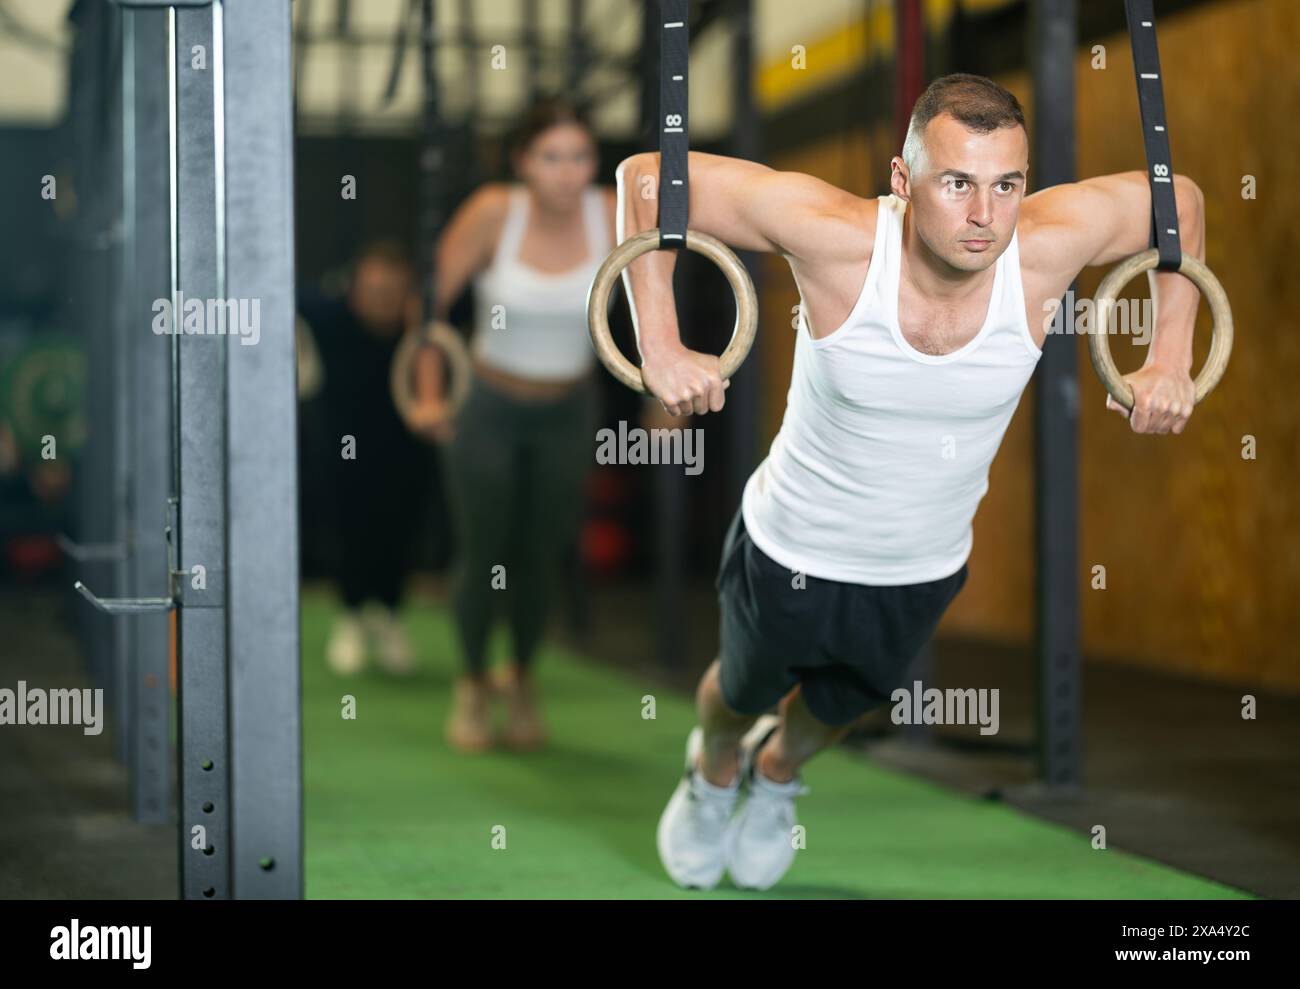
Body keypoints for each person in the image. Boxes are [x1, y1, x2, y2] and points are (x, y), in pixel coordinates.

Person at [615, 74, 1204, 890]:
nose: (984, 216)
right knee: (739, 693)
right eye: (957, 182)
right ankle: (715, 767)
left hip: (918, 565)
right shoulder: (836, 238)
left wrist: (1171, 353)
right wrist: (661, 342)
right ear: (903, 180)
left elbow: (1182, 203)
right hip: (790, 540)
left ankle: (777, 774)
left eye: (1007, 185)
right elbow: (649, 178)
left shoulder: (1045, 246)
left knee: (831, 712)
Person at [405, 100, 618, 753]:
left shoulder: (610, 212)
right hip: (487, 407)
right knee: (483, 549)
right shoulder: (496, 211)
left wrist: (660, 389)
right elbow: (430, 297)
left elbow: (649, 295)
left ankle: (520, 676)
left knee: (542, 555)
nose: (566, 173)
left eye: (579, 156)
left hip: (567, 408)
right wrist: (430, 391)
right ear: (523, 162)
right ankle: (472, 682)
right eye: (550, 157)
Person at [301, 240, 427, 677]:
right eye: (373, 289)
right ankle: (351, 616)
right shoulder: (330, 317)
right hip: (340, 452)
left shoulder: (421, 327)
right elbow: (283, 290)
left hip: (405, 453)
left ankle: (388, 615)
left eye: (393, 290)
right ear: (353, 288)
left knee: (398, 532)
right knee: (347, 530)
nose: (382, 299)